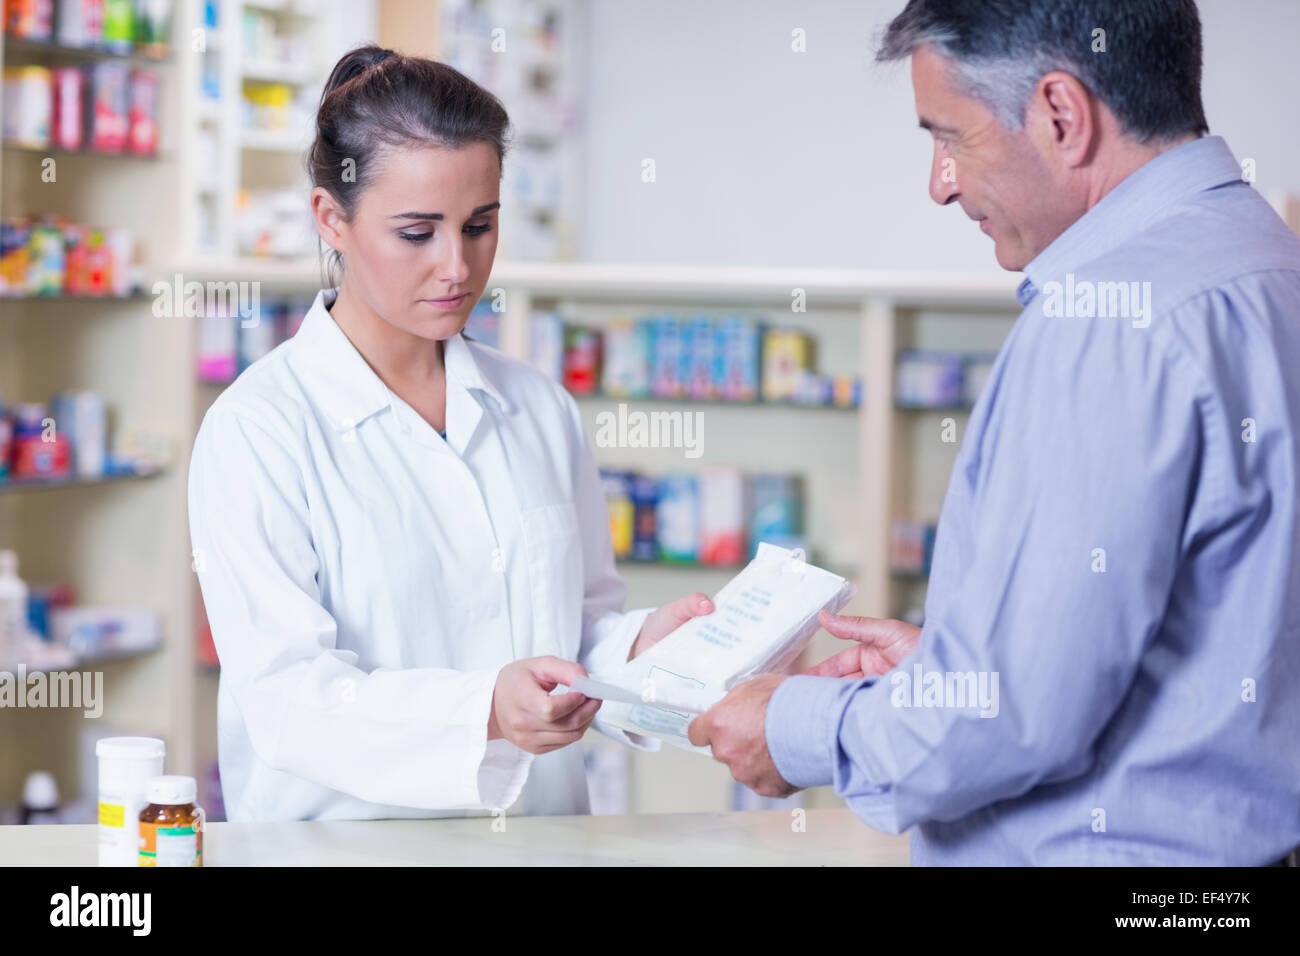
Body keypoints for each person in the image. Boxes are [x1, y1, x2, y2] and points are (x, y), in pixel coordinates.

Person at [690, 0, 1300, 865]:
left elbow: (1010, 718)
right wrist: (955, 664)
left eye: (950, 137)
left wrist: (789, 725)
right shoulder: (1264, 263)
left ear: (1061, 114)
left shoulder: (1107, 320)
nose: (939, 181)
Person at [188, 45, 708, 822]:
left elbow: (579, 630)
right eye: (416, 232)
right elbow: (287, 697)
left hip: (541, 840)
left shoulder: (536, 406)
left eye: (479, 225)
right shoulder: (259, 431)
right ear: (332, 218)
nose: (457, 266)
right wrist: (487, 712)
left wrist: (641, 650)